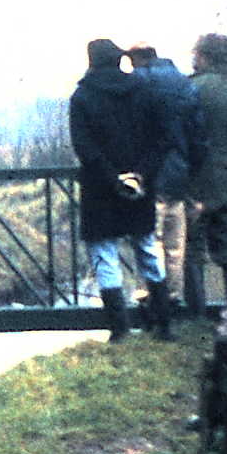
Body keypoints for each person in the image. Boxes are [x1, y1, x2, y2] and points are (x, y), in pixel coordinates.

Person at [68, 38, 166, 341]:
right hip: (141, 184)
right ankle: (163, 325)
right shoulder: (144, 90)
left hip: (100, 188)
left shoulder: (82, 97)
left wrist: (113, 178)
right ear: (118, 60)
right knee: (148, 250)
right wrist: (140, 175)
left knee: (104, 255)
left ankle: (119, 330)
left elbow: (85, 147)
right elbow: (159, 139)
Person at [127, 42, 200, 327]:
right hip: (180, 174)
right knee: (175, 243)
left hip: (151, 172)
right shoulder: (184, 83)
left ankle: (150, 298)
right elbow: (197, 133)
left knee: (150, 239)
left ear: (138, 59)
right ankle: (174, 297)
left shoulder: (139, 82)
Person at [185, 33, 227, 312]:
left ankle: (196, 311)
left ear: (202, 56)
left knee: (192, 249)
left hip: (196, 180)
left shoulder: (191, 88)